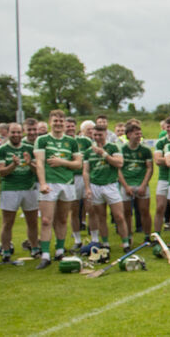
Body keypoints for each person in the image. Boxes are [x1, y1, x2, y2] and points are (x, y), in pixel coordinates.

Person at [34, 110, 82, 269]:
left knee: (62, 219)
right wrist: (42, 183)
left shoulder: (72, 142)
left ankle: (60, 251)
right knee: (46, 220)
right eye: (55, 121)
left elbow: (78, 164)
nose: (58, 124)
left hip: (67, 183)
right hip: (49, 183)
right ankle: (45, 255)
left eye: (61, 121)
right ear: (50, 122)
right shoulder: (42, 140)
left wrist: (62, 162)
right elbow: (39, 163)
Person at [0, 123, 39, 264]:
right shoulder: (2, 150)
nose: (16, 135)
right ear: (8, 133)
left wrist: (29, 163)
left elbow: (37, 170)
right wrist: (14, 165)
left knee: (32, 221)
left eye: (18, 132)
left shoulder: (30, 148)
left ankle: (34, 248)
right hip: (10, 189)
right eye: (13, 132)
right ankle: (6, 250)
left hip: (29, 188)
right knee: (8, 222)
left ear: (22, 133)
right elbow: (1, 172)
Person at [83, 125, 130, 252]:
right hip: (95, 186)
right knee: (101, 217)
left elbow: (119, 163)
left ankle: (126, 243)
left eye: (100, 135)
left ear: (106, 135)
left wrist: (103, 154)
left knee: (119, 216)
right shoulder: (88, 151)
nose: (97, 137)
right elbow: (86, 171)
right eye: (95, 135)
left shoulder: (113, 147)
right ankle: (105, 244)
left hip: (111, 185)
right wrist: (87, 188)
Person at [118, 121, 153, 243]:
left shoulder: (145, 150)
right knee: (126, 212)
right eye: (136, 134)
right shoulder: (122, 149)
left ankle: (147, 237)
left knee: (144, 211)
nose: (139, 136)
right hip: (126, 184)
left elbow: (150, 168)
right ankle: (128, 237)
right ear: (128, 135)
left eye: (140, 134)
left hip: (141, 184)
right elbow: (118, 169)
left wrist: (143, 185)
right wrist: (125, 186)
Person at [65, 117, 91, 250]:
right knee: (74, 210)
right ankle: (77, 239)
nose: (70, 128)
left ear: (76, 127)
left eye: (72, 126)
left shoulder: (84, 141)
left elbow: (92, 156)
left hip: (85, 177)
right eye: (67, 126)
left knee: (91, 208)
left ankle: (94, 238)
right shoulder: (61, 142)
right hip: (70, 178)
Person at [153, 117, 170, 236]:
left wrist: (167, 159)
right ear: (165, 128)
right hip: (164, 177)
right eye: (168, 127)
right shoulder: (161, 142)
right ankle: (157, 236)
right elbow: (158, 160)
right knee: (160, 207)